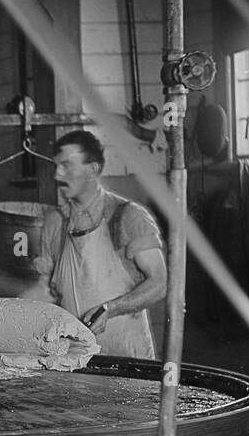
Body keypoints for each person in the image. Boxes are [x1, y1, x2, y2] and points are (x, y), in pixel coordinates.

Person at [22, 130, 168, 359]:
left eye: (67, 165)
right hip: (74, 360)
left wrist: (111, 309)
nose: (58, 175)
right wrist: (10, 309)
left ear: (93, 170)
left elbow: (159, 283)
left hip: (127, 358)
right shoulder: (54, 222)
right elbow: (46, 290)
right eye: (57, 166)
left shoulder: (128, 216)